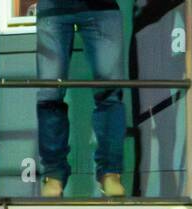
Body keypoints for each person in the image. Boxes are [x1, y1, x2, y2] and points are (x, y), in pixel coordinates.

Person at [35, 0, 126, 198]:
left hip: (103, 7)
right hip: (53, 7)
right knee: (50, 92)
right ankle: (54, 174)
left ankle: (110, 172)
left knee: (109, 92)